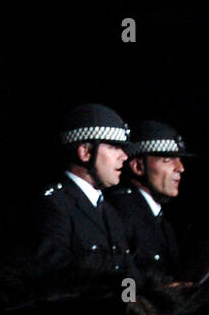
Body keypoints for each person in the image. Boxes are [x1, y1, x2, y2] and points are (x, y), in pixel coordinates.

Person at [33, 104, 137, 277]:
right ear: (86, 152)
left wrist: (139, 299)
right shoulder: (54, 204)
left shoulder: (109, 211)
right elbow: (54, 276)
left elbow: (128, 276)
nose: (124, 156)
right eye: (114, 146)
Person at [107, 119, 193, 276]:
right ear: (138, 166)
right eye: (167, 159)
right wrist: (132, 299)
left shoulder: (161, 221)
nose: (180, 168)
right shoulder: (122, 213)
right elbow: (122, 277)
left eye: (180, 159)